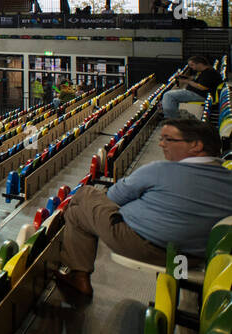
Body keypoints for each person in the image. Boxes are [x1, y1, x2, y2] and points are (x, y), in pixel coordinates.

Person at [55, 119, 232, 300]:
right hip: (193, 259)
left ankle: (79, 277)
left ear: (196, 145)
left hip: (148, 247)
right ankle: (78, 276)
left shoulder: (160, 170)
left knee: (84, 196)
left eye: (169, 139)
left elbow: (113, 197)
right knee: (80, 209)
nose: (161, 144)